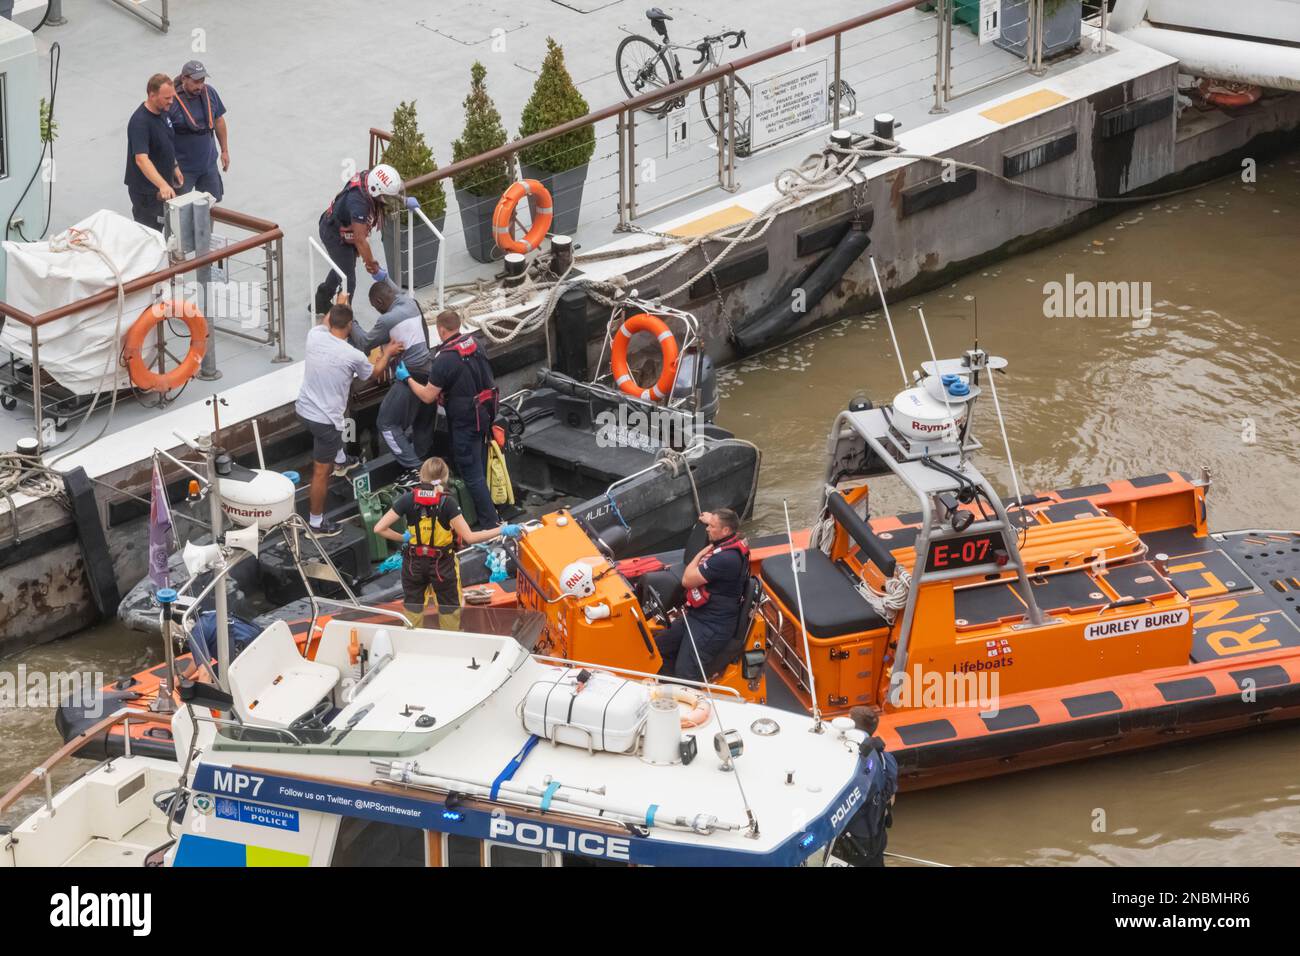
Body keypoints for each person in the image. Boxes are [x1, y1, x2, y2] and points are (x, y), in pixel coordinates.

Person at [295, 303, 402, 536]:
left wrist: (340, 301)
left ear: (330, 320)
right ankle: (315, 523)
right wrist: (388, 353)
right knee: (321, 472)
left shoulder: (314, 335)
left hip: (303, 409)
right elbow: (373, 374)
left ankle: (342, 460)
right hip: (324, 421)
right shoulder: (353, 355)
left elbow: (326, 321)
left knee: (341, 415)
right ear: (350, 325)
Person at [373, 457, 520, 621]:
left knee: (413, 613)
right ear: (445, 478)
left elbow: (379, 528)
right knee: (450, 613)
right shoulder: (448, 503)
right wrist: (502, 529)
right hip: (442, 567)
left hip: (413, 566)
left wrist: (403, 537)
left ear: (421, 476)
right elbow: (470, 537)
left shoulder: (407, 499)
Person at [400, 309, 500, 528]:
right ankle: (483, 510)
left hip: (465, 421)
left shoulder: (444, 359)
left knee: (472, 474)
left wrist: (406, 378)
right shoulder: (476, 342)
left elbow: (428, 396)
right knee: (477, 463)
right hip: (484, 413)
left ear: (440, 330)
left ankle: (490, 523)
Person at [654, 509, 749, 681]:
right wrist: (708, 519)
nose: (707, 529)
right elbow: (718, 522)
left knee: (686, 673)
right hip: (698, 616)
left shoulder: (725, 559)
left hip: (712, 625)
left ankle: (690, 696)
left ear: (726, 531)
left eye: (711, 526)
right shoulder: (727, 540)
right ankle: (667, 685)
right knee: (659, 649)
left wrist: (700, 554)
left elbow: (687, 580)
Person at [313, 164, 411, 317]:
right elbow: (360, 239)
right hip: (333, 234)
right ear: (375, 190)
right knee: (348, 281)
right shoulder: (358, 203)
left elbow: (384, 191)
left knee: (345, 266)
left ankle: (322, 298)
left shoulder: (370, 178)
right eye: (386, 196)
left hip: (345, 229)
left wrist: (403, 199)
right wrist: (373, 266)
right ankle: (342, 322)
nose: (388, 200)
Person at [834, 706, 899, 867]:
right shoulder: (887, 759)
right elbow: (892, 798)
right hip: (877, 835)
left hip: (852, 841)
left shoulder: (849, 764)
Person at [125, 74, 184, 230]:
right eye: (167, 98)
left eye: (172, 97)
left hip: (164, 188)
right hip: (147, 194)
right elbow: (141, 159)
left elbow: (167, 142)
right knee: (150, 235)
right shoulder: (140, 122)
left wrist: (174, 166)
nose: (171, 101)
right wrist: (163, 185)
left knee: (172, 232)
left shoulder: (163, 112)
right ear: (152, 95)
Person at [168, 60, 229, 202]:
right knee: (179, 208)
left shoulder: (210, 93)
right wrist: (173, 166)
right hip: (183, 169)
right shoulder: (172, 102)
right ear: (184, 79)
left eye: (202, 81)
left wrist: (224, 151)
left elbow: (219, 120)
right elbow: (165, 138)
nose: (200, 86)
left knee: (212, 204)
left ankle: (207, 226)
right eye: (195, 82)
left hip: (208, 165)